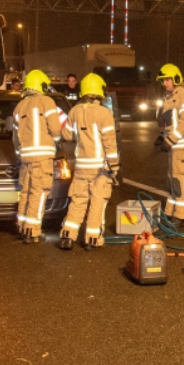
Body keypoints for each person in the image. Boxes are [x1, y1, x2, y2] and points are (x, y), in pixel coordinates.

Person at [58, 73, 119, 249]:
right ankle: (92, 239)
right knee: (97, 201)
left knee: (78, 201)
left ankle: (68, 235)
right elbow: (110, 142)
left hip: (81, 166)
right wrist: (114, 166)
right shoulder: (104, 113)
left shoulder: (75, 111)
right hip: (100, 166)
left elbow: (67, 135)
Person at [12, 69, 66, 242]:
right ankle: (32, 230)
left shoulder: (19, 106)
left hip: (25, 158)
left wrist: (20, 153)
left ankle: (21, 226)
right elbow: (56, 129)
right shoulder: (46, 102)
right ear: (41, 85)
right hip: (42, 156)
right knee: (39, 192)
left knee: (26, 192)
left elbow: (15, 138)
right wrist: (57, 141)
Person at [155, 63, 184, 225]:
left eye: (167, 80)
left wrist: (170, 139)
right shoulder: (169, 97)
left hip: (183, 145)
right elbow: (170, 123)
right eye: (163, 80)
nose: (165, 83)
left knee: (182, 180)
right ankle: (172, 211)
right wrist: (163, 137)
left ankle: (183, 215)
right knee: (173, 179)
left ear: (176, 78)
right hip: (175, 146)